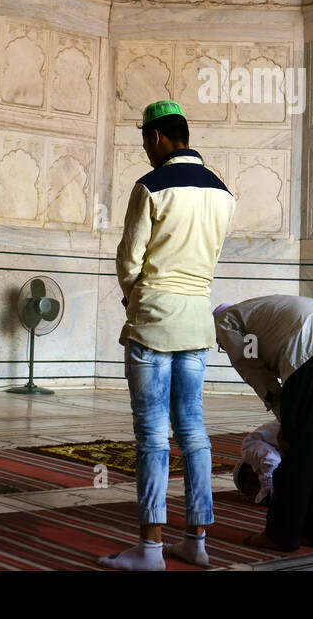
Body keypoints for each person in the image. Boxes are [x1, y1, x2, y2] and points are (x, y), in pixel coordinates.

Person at [98, 100, 235, 571]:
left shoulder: (150, 186)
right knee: (193, 431)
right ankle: (197, 541)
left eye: (143, 139)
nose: (144, 148)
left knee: (153, 436)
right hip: (198, 321)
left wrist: (137, 301)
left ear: (156, 137)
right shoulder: (223, 192)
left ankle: (151, 548)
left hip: (154, 322)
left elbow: (129, 261)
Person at [213, 295, 313, 551]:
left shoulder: (226, 323)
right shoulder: (259, 311)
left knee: (298, 449)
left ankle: (281, 534)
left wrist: (283, 413)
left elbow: (251, 365)